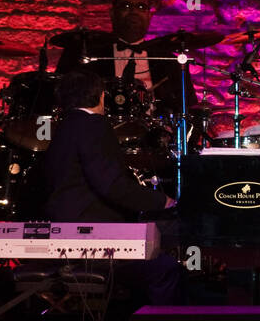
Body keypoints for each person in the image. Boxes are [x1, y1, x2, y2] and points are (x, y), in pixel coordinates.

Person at [40, 69, 181, 305]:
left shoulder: (63, 128)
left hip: (69, 232)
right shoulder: (93, 124)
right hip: (93, 238)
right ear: (101, 96)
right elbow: (111, 185)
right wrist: (162, 201)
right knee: (167, 263)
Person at [54, 0, 197, 116]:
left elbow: (189, 110)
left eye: (141, 6)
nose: (134, 11)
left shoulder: (170, 63)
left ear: (149, 15)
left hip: (155, 139)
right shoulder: (85, 55)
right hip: (99, 137)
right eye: (126, 6)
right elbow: (59, 103)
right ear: (112, 13)